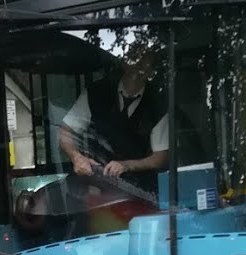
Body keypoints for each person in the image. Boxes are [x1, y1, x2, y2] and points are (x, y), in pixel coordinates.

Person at [58, 57, 171, 194]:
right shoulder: (95, 92)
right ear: (123, 63)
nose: (138, 66)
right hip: (94, 183)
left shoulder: (158, 104)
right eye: (134, 59)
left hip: (138, 191)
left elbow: (161, 157)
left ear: (152, 68)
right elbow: (65, 131)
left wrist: (127, 165)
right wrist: (77, 158)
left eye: (145, 59)